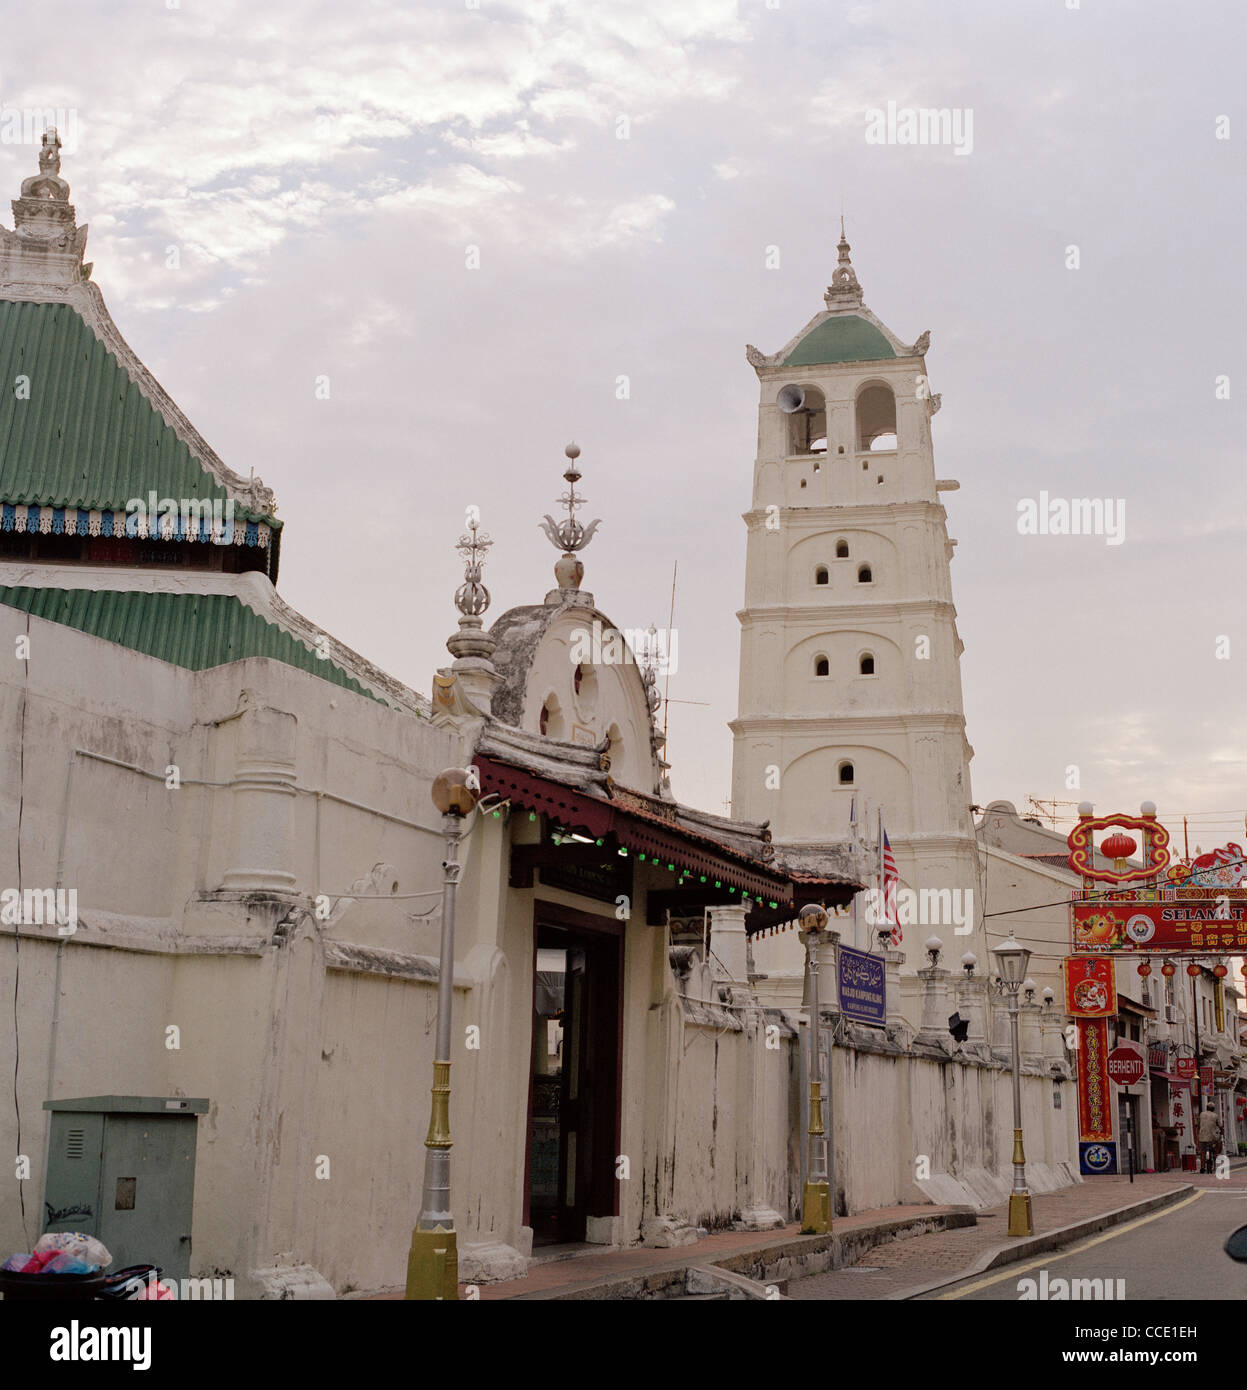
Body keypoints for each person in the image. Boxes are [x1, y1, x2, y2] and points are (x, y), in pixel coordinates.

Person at [1198, 1106, 1222, 1174]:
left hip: (1202, 1137)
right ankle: (1214, 1165)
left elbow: (1198, 1125)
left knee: (1203, 1152)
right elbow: (1220, 1126)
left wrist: (1198, 1135)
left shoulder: (1202, 1114)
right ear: (1213, 1109)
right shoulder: (1215, 1115)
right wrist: (1222, 1133)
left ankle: (1202, 1167)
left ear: (1206, 1108)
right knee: (1215, 1149)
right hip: (1212, 1137)